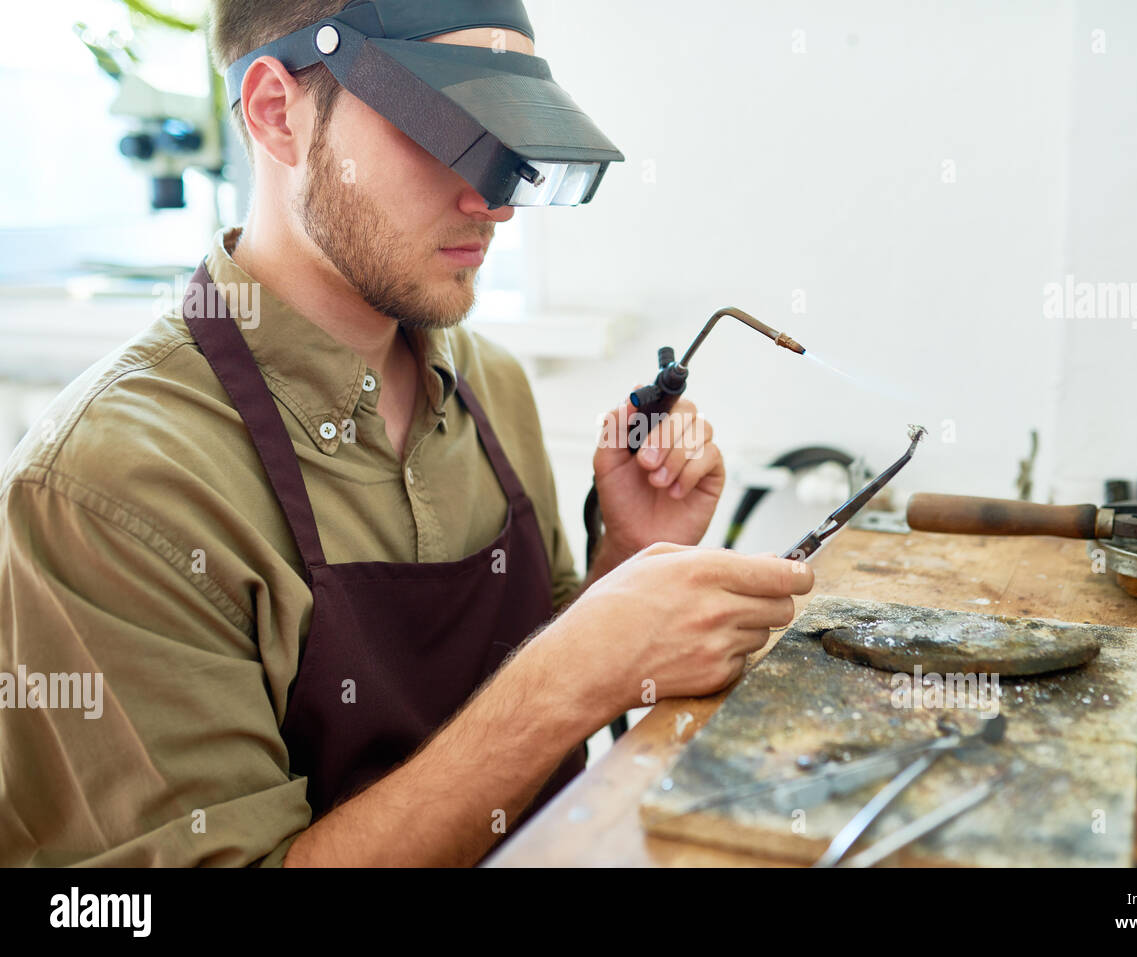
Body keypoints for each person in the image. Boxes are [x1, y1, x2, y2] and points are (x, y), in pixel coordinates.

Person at [0, 0, 812, 867]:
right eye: (443, 129)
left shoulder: (488, 381)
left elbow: (530, 693)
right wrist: (568, 674)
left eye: (504, 142)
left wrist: (625, 562)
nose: (490, 201)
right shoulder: (108, 489)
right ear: (277, 112)